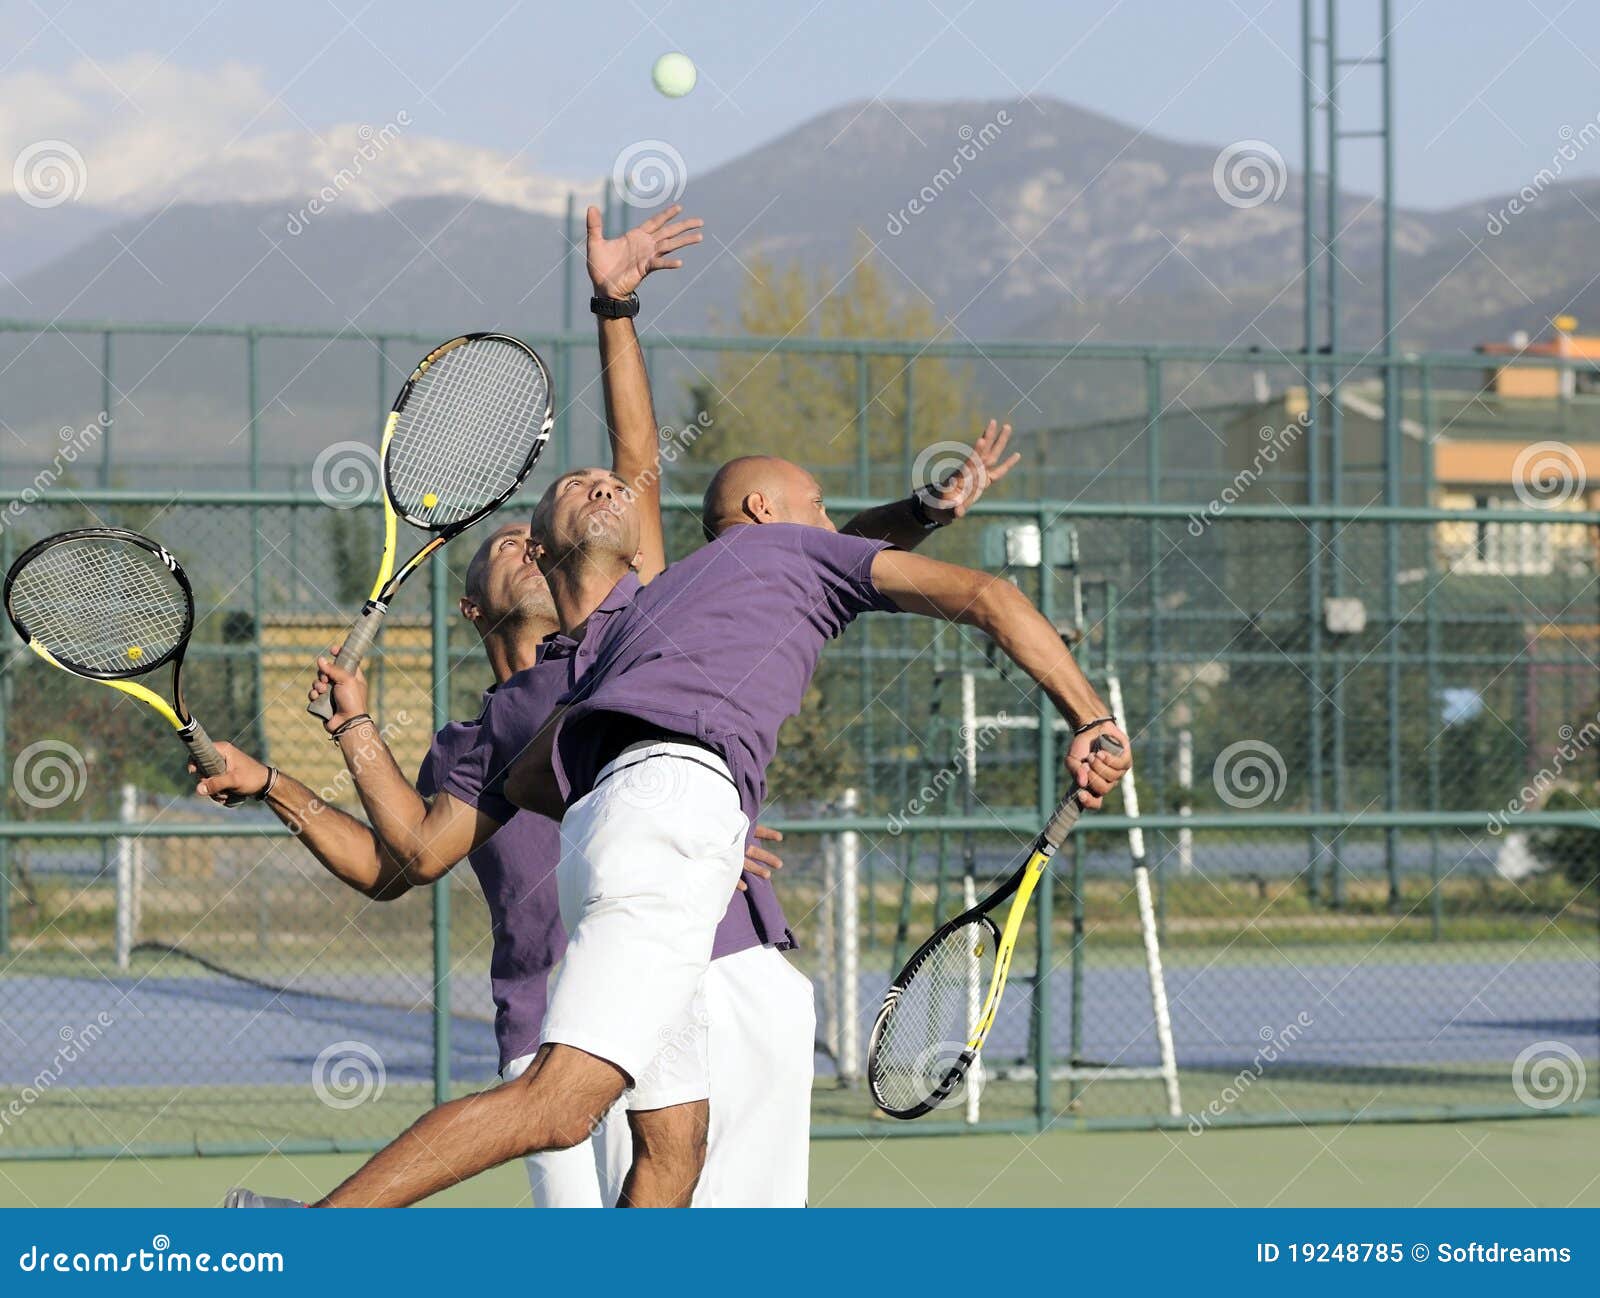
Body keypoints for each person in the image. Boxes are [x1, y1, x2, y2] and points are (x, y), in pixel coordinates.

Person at [268, 440, 1128, 1208]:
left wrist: (655, 796)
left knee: (673, 1153)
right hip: (667, 825)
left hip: (644, 833)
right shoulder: (725, 574)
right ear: (763, 518)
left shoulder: (645, 616)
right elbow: (985, 594)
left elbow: (527, 781)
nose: (834, 527)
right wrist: (1089, 717)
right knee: (560, 1107)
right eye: (821, 509)